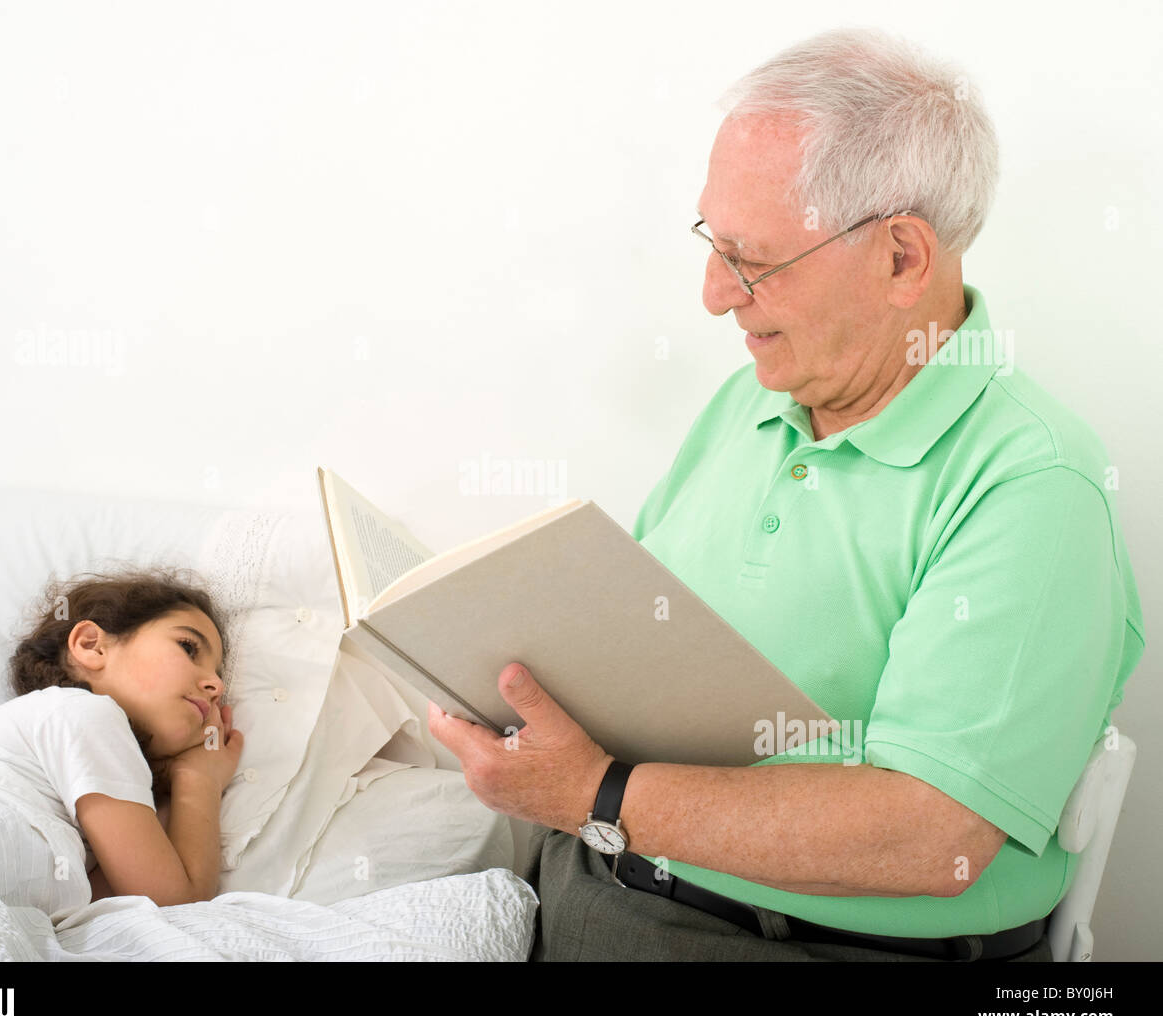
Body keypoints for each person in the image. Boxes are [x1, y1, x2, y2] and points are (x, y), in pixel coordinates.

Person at [427, 27, 1146, 961]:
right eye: (710, 242)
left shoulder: (1031, 483)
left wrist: (597, 794)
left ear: (901, 259)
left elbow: (932, 835)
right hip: (587, 885)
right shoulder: (756, 399)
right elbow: (642, 654)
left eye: (752, 259)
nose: (714, 295)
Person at [0, 569, 243, 921]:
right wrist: (199, 780)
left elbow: (110, 908)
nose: (216, 686)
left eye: (217, 674)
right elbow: (174, 903)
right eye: (189, 648)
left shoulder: (99, 792)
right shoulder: (83, 712)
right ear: (92, 645)